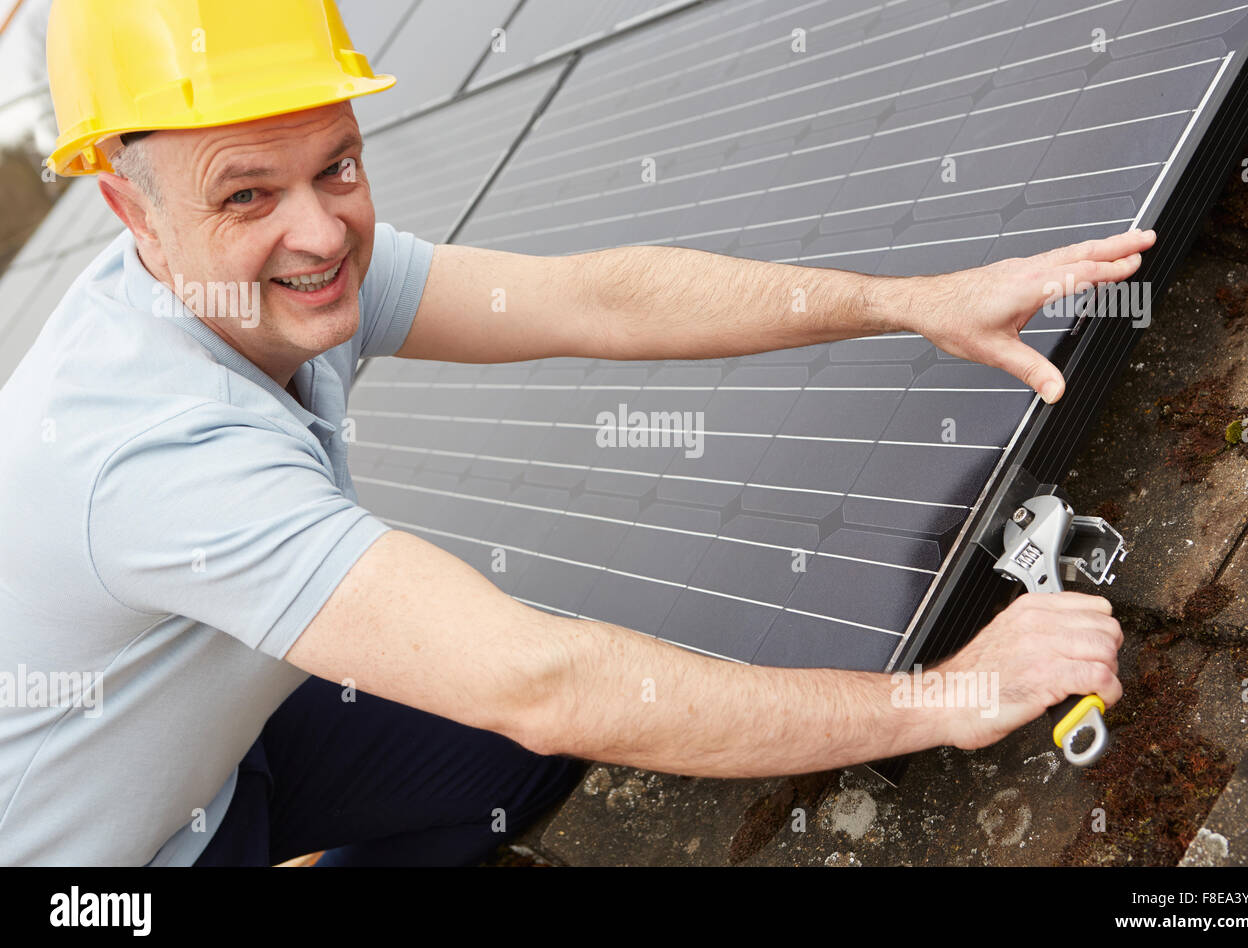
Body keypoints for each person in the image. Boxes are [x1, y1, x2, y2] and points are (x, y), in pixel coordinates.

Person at [0, 0, 1142, 865]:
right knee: (537, 694)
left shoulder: (262, 274)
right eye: (247, 195)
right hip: (117, 864)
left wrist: (911, 300)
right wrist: (939, 701)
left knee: (508, 756)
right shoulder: (149, 456)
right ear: (128, 209)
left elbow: (601, 299)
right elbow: (539, 676)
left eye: (337, 164)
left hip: (226, 738)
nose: (318, 231)